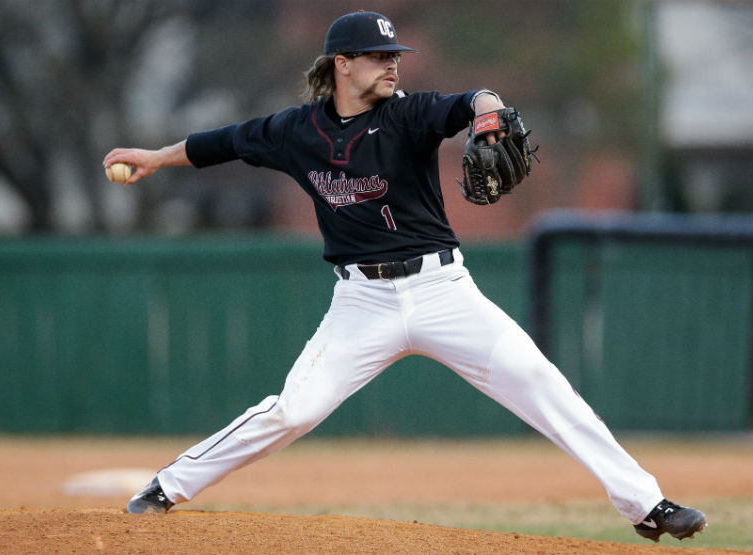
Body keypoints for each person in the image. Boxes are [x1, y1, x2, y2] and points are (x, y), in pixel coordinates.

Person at [103, 10, 706, 543]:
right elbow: (223, 143)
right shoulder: (295, 131)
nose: (392, 65)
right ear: (342, 64)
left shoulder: (409, 115)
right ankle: (167, 486)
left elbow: (469, 99)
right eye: (379, 56)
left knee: (542, 384)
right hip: (361, 303)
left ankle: (647, 505)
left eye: (395, 55)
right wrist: (156, 158)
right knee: (292, 411)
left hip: (443, 292)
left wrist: (489, 108)